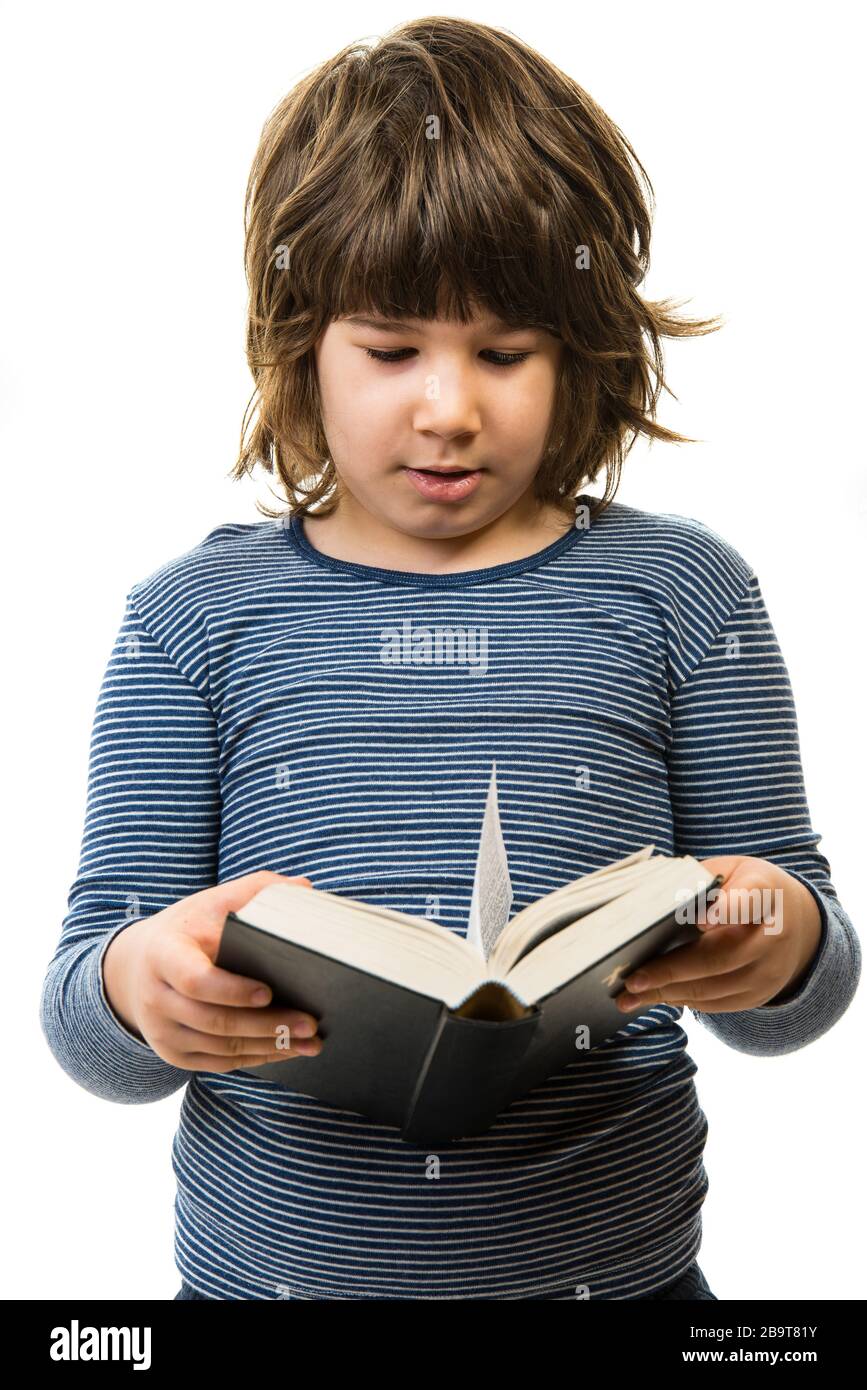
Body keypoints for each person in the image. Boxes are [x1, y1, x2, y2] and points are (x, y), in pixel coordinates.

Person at [39, 15, 860, 1301]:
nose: (448, 406)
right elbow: (88, 1011)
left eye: (505, 351)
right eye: (390, 346)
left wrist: (781, 936)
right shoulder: (190, 622)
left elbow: (804, 963)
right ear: (300, 340)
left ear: (582, 349)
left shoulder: (684, 594)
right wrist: (145, 990)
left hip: (629, 1289)